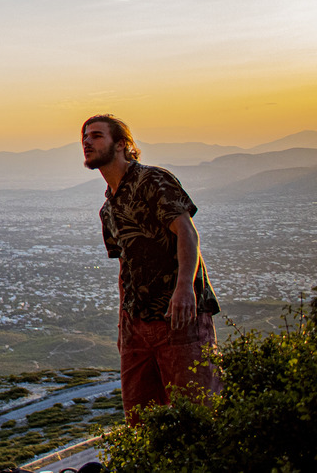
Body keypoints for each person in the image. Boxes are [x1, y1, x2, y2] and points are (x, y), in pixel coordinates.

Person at [81, 114, 222, 425]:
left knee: (198, 415)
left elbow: (186, 231)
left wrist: (184, 288)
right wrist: (124, 324)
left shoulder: (152, 181)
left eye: (96, 136)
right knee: (141, 420)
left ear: (122, 145)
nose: (87, 142)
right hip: (137, 324)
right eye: (85, 138)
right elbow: (125, 267)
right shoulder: (109, 207)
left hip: (179, 318)